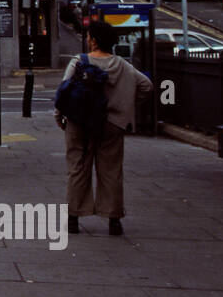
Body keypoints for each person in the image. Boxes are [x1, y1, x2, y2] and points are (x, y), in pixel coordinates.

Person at [55, 20, 152, 236]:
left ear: (94, 40)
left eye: (89, 36)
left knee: (77, 168)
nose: (87, 39)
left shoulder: (78, 62)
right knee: (111, 171)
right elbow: (146, 86)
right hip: (112, 124)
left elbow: (63, 92)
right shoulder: (123, 66)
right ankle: (114, 220)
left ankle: (74, 217)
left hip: (79, 122)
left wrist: (59, 116)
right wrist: (126, 106)